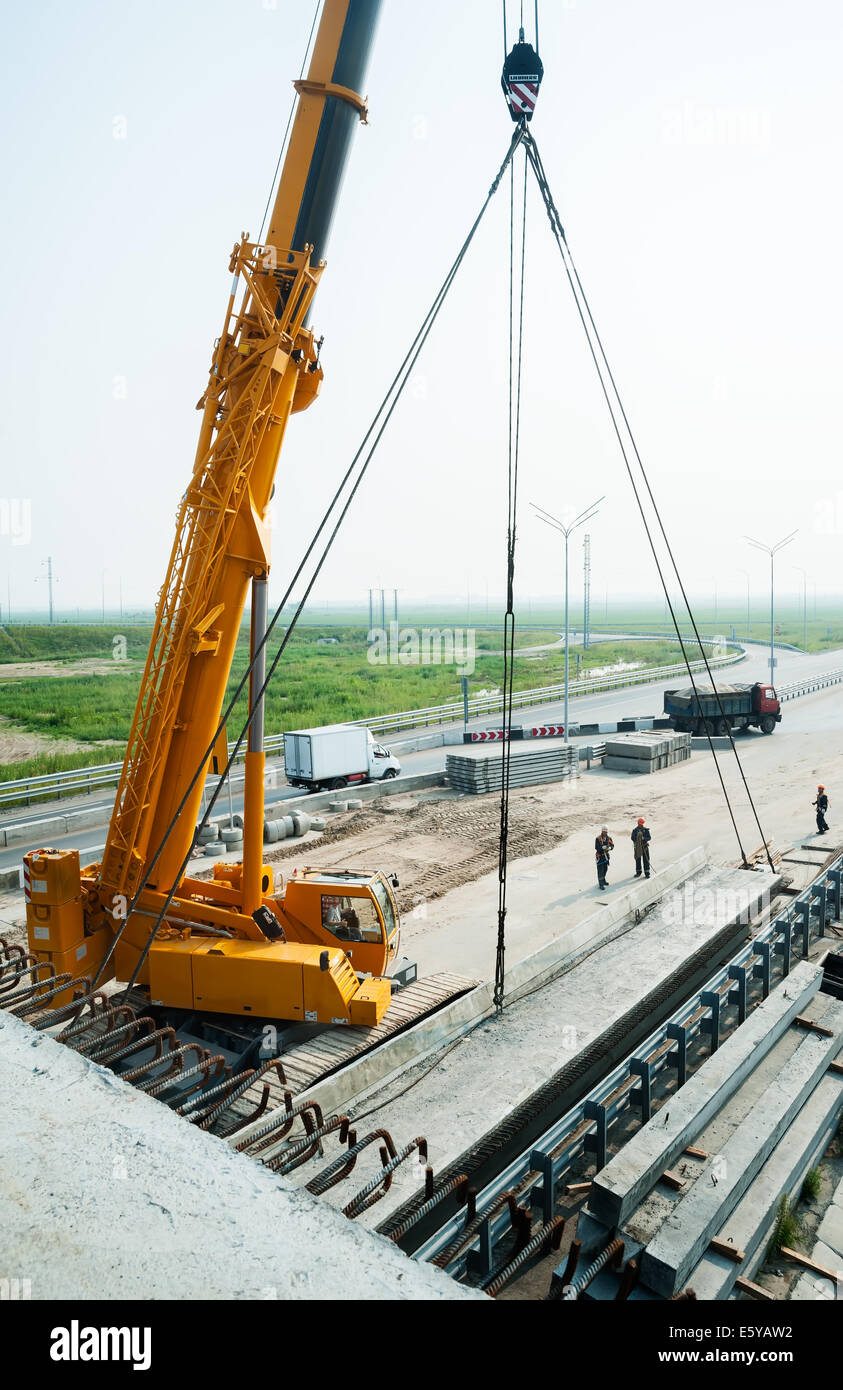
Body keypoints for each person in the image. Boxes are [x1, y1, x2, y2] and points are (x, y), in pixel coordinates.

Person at [595, 826, 614, 890]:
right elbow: (596, 847)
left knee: (605, 869)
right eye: (604, 831)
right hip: (600, 856)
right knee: (600, 870)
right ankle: (601, 884)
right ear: (602, 831)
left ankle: (603, 880)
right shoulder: (598, 838)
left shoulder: (608, 838)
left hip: (606, 856)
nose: (605, 833)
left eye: (606, 831)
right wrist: (602, 847)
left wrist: (610, 848)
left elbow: (612, 845)